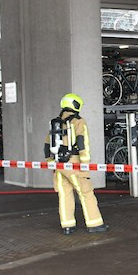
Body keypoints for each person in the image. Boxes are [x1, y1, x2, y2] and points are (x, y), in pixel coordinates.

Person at [45, 92, 108, 235]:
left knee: (64, 194)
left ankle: (67, 226)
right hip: (74, 163)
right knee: (86, 192)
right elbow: (82, 141)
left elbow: (47, 144)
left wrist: (51, 162)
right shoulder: (78, 121)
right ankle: (95, 224)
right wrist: (85, 161)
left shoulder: (55, 123)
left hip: (58, 164)